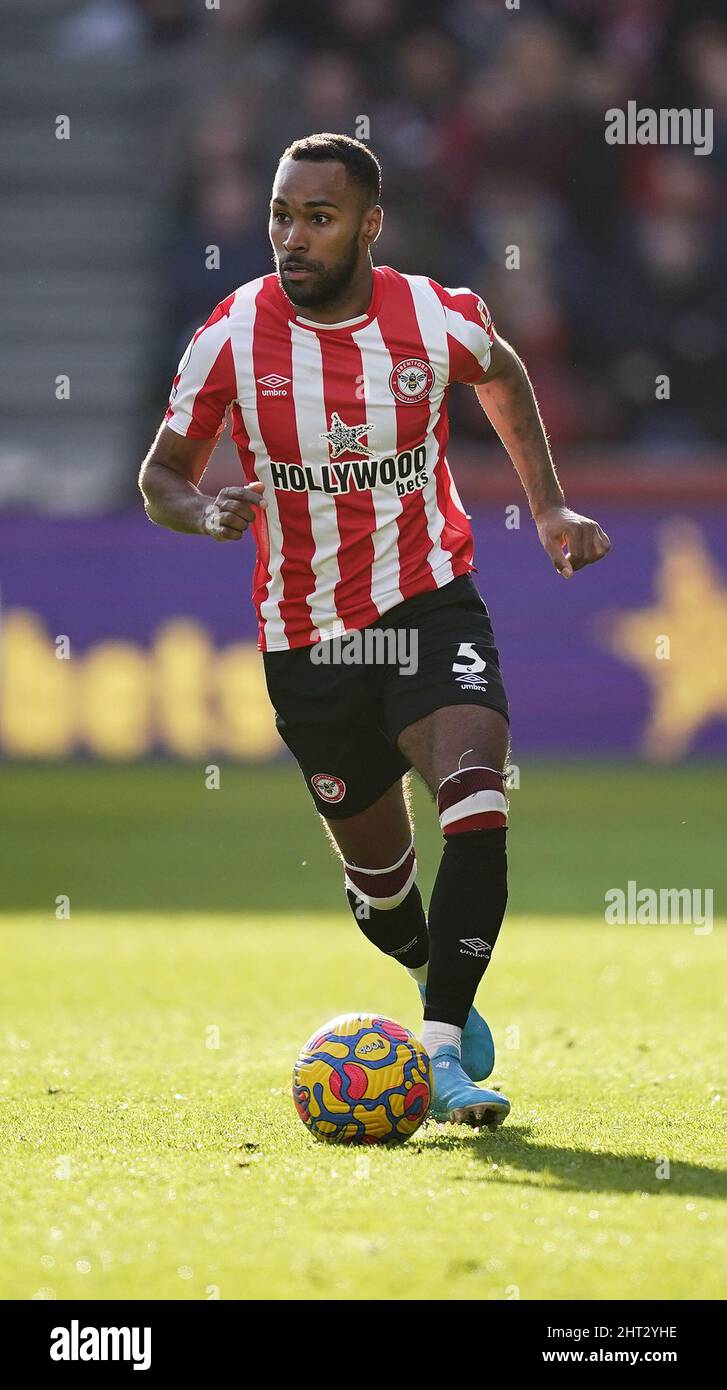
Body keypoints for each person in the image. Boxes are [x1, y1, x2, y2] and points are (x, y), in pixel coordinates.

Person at [139, 132, 611, 1130]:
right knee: (382, 889)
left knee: (477, 798)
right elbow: (161, 478)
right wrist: (206, 511)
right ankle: (423, 964)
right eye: (280, 214)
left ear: (368, 224)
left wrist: (551, 508)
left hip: (429, 601)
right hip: (310, 641)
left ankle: (440, 1052)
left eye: (318, 216)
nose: (291, 236)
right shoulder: (229, 337)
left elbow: (503, 373)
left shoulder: (431, 318)